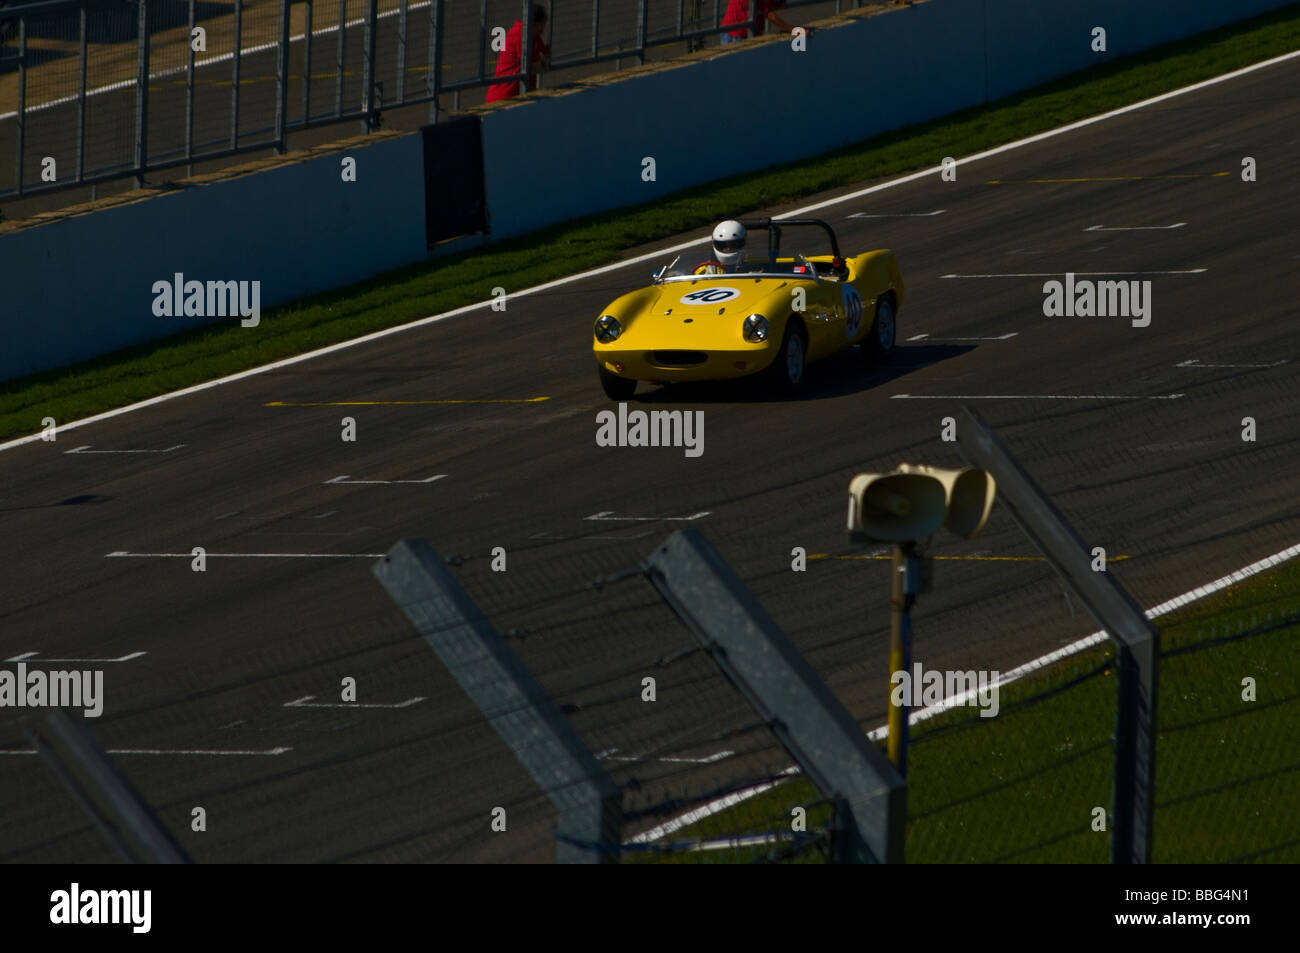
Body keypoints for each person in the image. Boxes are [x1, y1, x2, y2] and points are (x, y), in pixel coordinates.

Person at [485, 4, 552, 103]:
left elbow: (545, 60)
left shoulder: (533, 35)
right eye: (542, 25)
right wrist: (542, 64)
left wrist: (543, 64)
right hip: (503, 97)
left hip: (517, 95)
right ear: (536, 24)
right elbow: (535, 67)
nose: (543, 29)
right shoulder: (520, 34)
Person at [719, 0, 803, 45]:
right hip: (734, 35)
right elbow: (770, 15)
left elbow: (764, 5)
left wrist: (777, 3)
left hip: (740, 33)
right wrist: (794, 30)